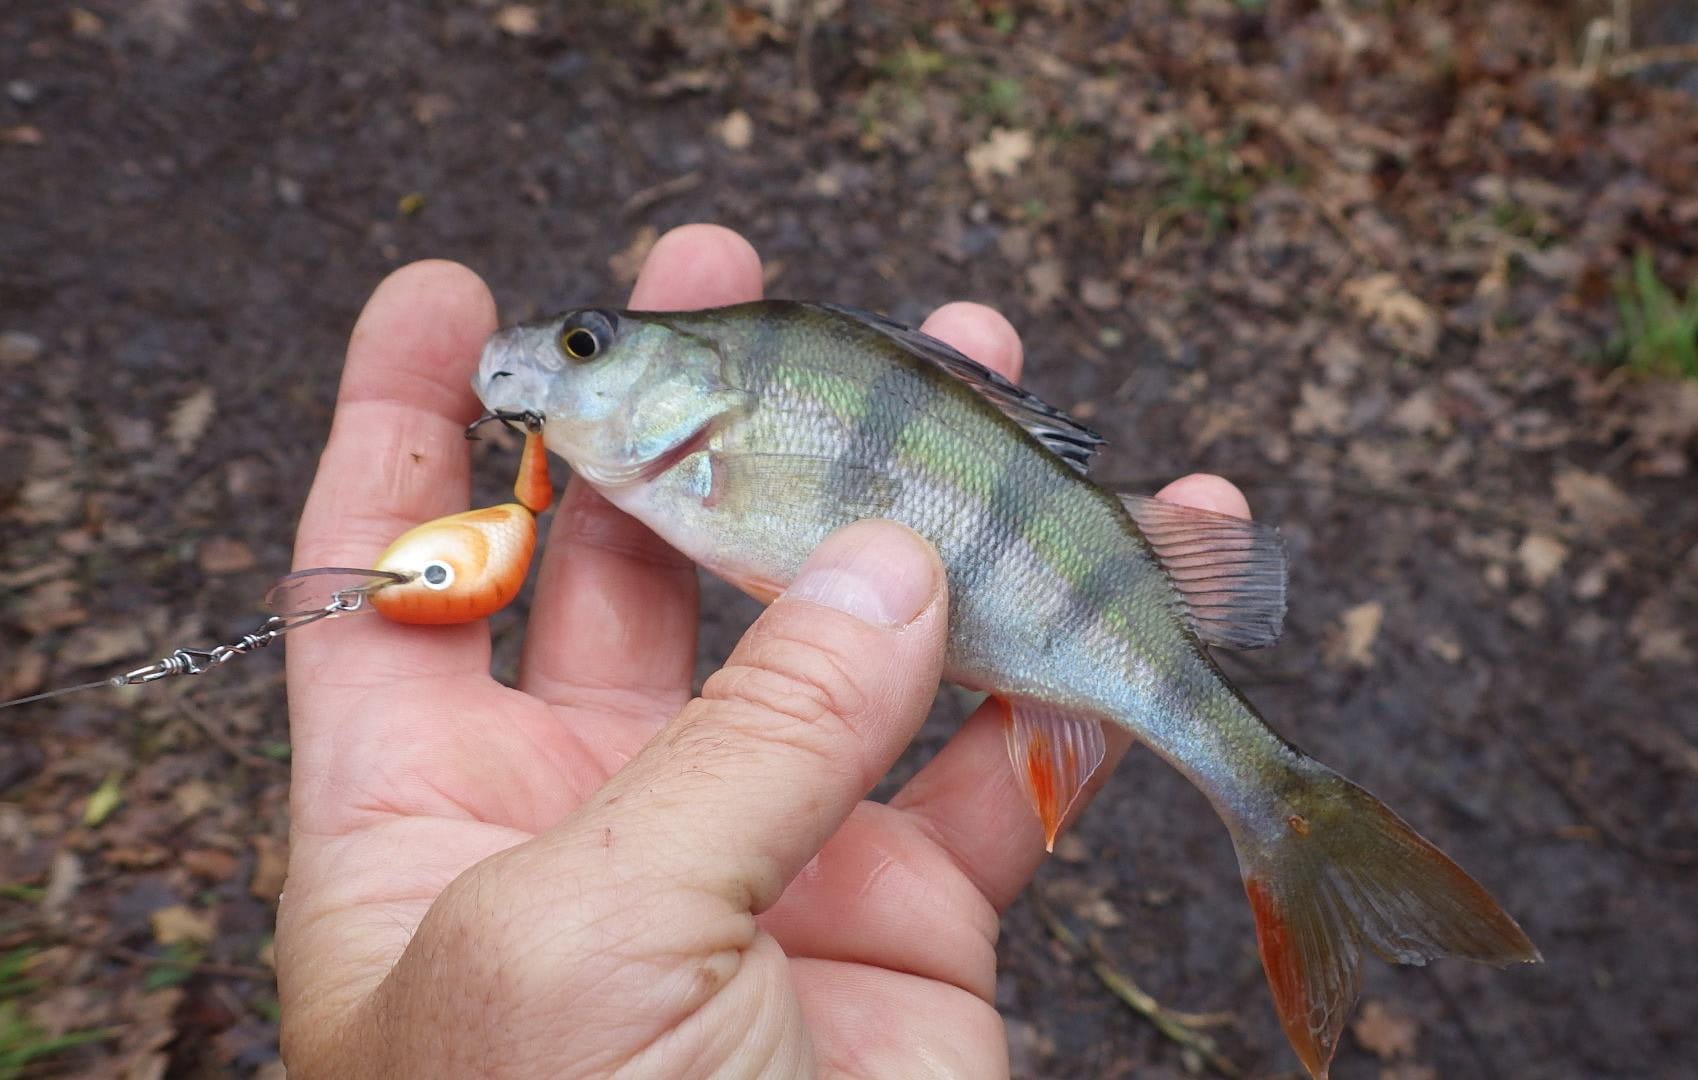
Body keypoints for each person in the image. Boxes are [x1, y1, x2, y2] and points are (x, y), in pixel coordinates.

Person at [275, 223, 1252, 1076]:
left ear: (695, 381)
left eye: (583, 345)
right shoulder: (669, 453)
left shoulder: (714, 442)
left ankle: (1272, 800)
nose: (548, 360)